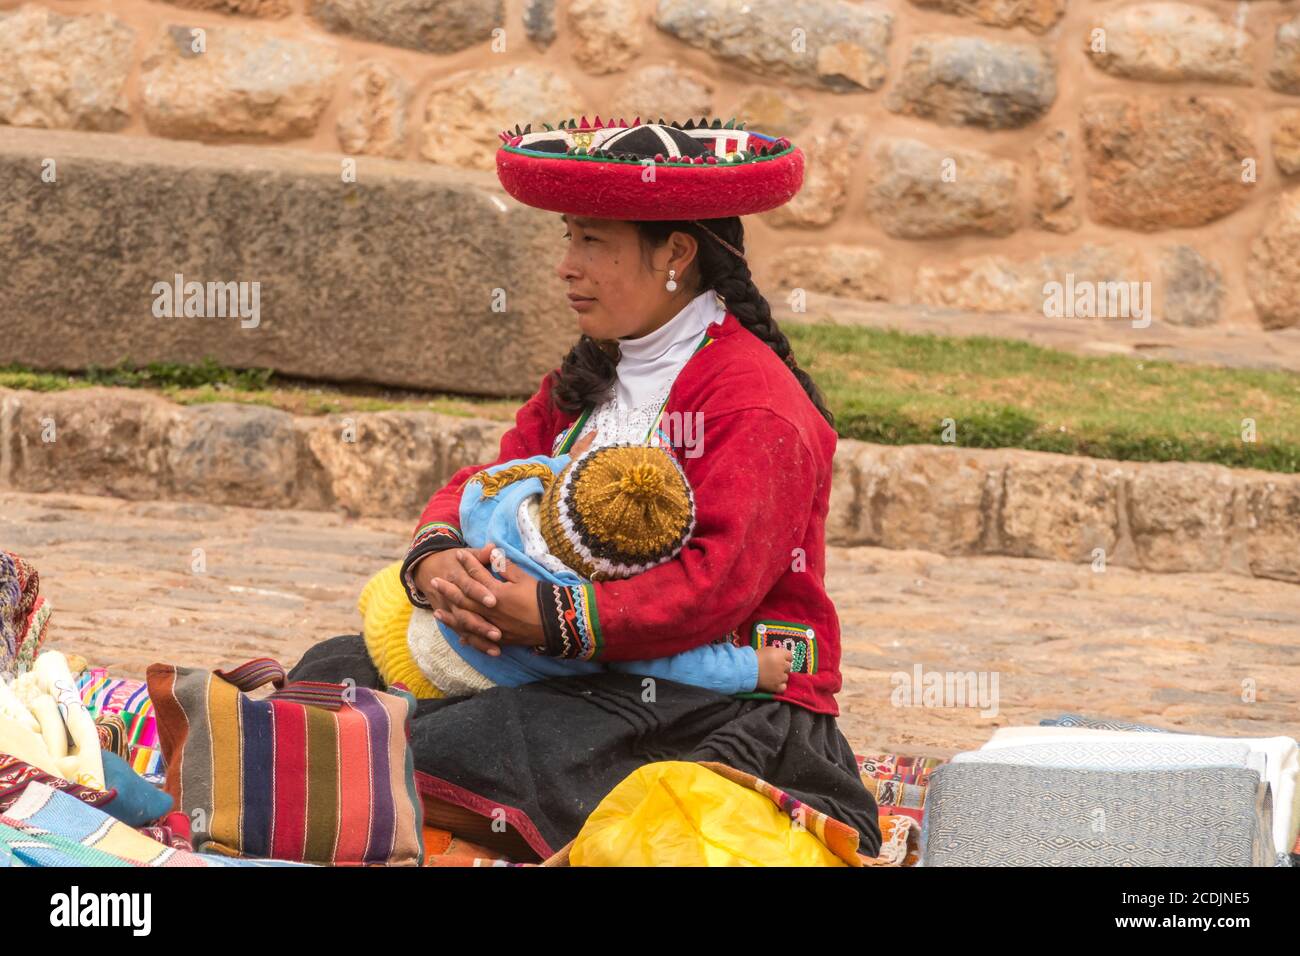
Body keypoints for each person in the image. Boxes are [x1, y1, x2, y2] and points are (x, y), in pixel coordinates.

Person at [290, 115, 882, 859]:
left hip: (705, 696)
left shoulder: (754, 403)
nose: (566, 266)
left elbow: (711, 591)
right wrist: (440, 562)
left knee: (465, 745)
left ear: (675, 253)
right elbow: (494, 478)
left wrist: (549, 616)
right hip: (555, 664)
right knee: (333, 673)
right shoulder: (595, 371)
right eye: (568, 238)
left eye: (591, 241)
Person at [360, 440, 795, 698]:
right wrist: (751, 669)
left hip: (421, 634)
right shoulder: (583, 590)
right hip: (469, 679)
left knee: (384, 589)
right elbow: (672, 664)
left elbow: (484, 480)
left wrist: (432, 555)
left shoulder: (502, 505)